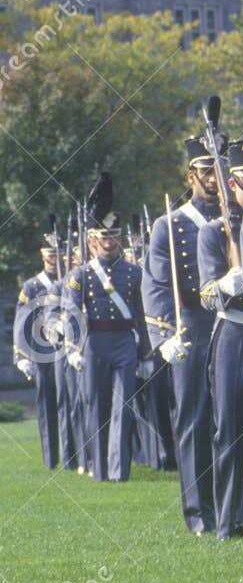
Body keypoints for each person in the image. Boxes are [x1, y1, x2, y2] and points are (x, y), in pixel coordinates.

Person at [144, 136, 223, 535]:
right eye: (206, 171)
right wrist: (164, 337)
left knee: (232, 417)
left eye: (219, 170)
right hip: (189, 323)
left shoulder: (238, 214)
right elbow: (156, 284)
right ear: (191, 175)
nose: (214, 178)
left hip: (230, 319)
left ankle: (229, 509)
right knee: (192, 417)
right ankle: (197, 512)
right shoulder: (169, 224)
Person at [198, 139, 243, 540]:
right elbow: (207, 294)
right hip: (236, 330)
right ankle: (229, 518)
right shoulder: (214, 231)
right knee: (230, 429)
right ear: (232, 183)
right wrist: (227, 283)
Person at [63, 175, 149, 482]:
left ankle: (118, 471)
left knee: (123, 407)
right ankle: (99, 469)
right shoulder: (81, 274)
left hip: (124, 341)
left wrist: (146, 353)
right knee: (95, 405)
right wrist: (72, 348)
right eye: (104, 237)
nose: (110, 242)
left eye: (114, 236)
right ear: (93, 240)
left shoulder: (133, 272)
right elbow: (71, 313)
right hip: (94, 342)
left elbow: (140, 313)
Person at [15, 226, 66, 470]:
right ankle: (51, 459)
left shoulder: (71, 281)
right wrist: (21, 355)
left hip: (68, 350)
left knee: (69, 404)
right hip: (42, 352)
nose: (54, 259)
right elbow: (21, 322)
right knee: (47, 405)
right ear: (43, 256)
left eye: (58, 254)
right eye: (50, 255)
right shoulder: (32, 286)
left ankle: (71, 457)